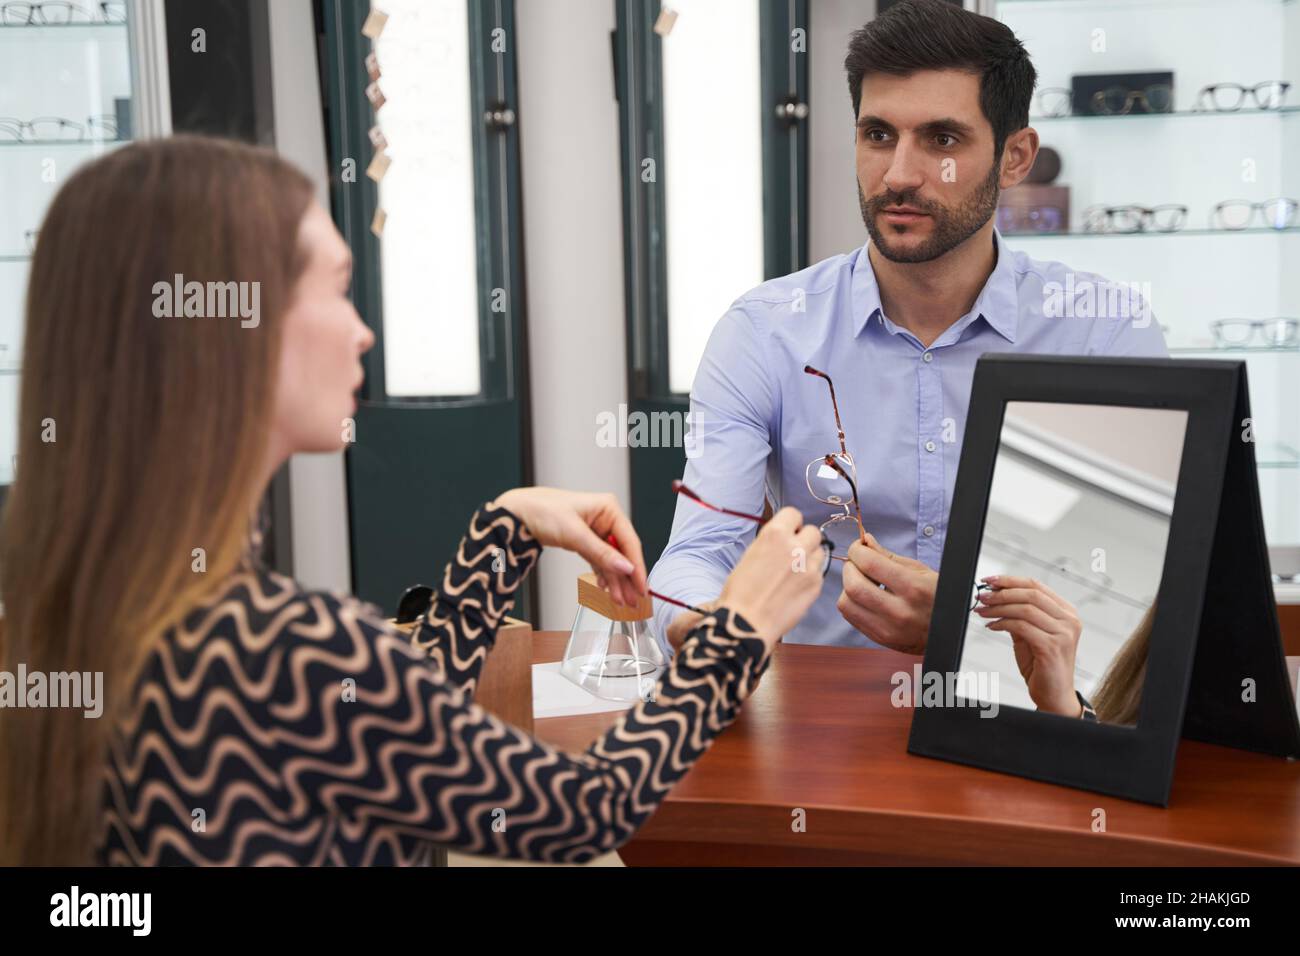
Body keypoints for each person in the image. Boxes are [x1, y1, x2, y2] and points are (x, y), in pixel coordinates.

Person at [0, 135, 826, 866]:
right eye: (333, 288)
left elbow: (384, 726)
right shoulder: (289, 650)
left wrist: (506, 532)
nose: (362, 331)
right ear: (228, 331)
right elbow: (583, 810)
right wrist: (738, 632)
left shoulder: (87, 612)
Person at [648, 0, 1168, 652]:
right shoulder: (764, 332)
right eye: (878, 135)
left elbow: (1142, 598)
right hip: (820, 725)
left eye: (942, 140)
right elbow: (700, 547)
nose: (899, 175)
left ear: (1015, 157)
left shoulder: (1103, 333)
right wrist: (709, 627)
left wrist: (963, 629)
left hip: (1032, 726)